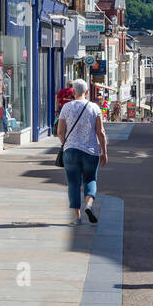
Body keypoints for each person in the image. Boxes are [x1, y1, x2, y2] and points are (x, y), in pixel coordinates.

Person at [57, 79, 107, 225]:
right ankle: (89, 206)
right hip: (90, 151)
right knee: (90, 179)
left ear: (73, 92)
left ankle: (77, 217)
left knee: (73, 183)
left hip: (71, 150)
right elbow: (101, 132)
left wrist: (65, 144)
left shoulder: (66, 107)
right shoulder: (94, 108)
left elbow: (60, 131)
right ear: (86, 92)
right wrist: (104, 151)